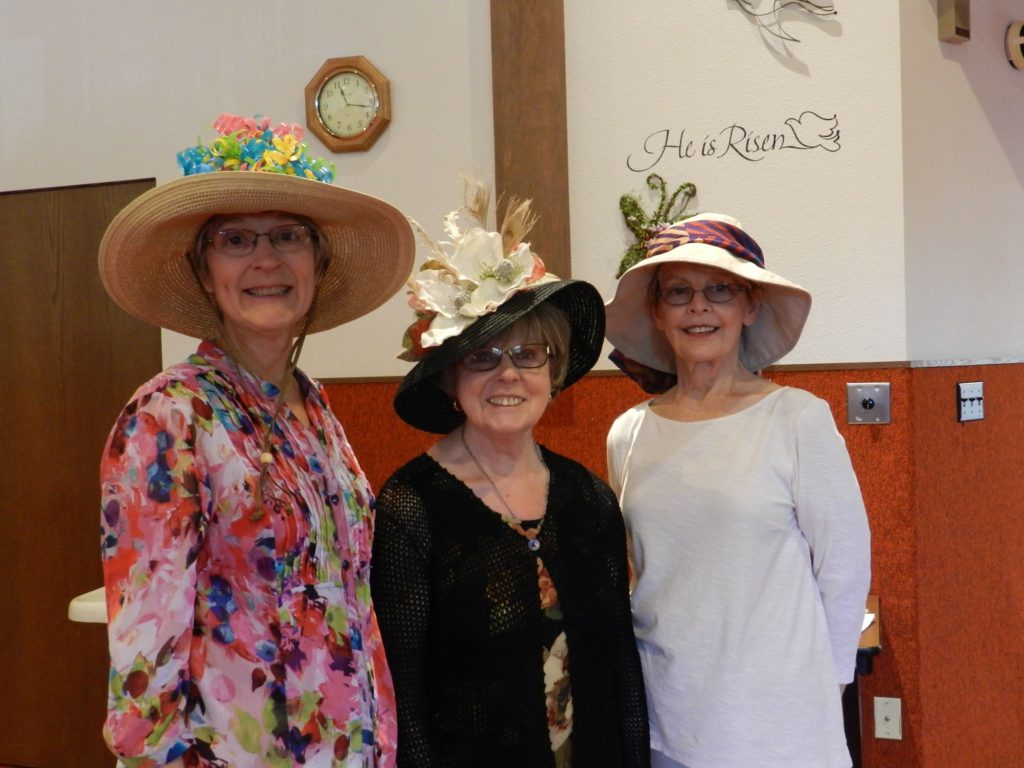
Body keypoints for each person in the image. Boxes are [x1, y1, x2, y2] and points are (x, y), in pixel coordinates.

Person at [97, 114, 415, 767]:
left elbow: (350, 598)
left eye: (288, 237)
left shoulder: (316, 408)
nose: (265, 260)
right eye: (235, 240)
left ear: (318, 263)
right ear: (203, 271)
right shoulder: (170, 416)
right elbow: (144, 653)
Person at [370, 184, 650, 768]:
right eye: (482, 357)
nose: (508, 376)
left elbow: (620, 666)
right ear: (449, 377)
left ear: (554, 371)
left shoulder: (589, 498)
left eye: (529, 355)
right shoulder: (410, 507)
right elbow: (402, 692)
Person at [604, 213, 871, 768]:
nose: (698, 307)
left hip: (780, 721)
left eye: (719, 290)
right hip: (668, 717)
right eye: (678, 292)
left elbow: (844, 568)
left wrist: (830, 687)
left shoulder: (797, 419)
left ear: (749, 307)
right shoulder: (629, 433)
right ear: (657, 310)